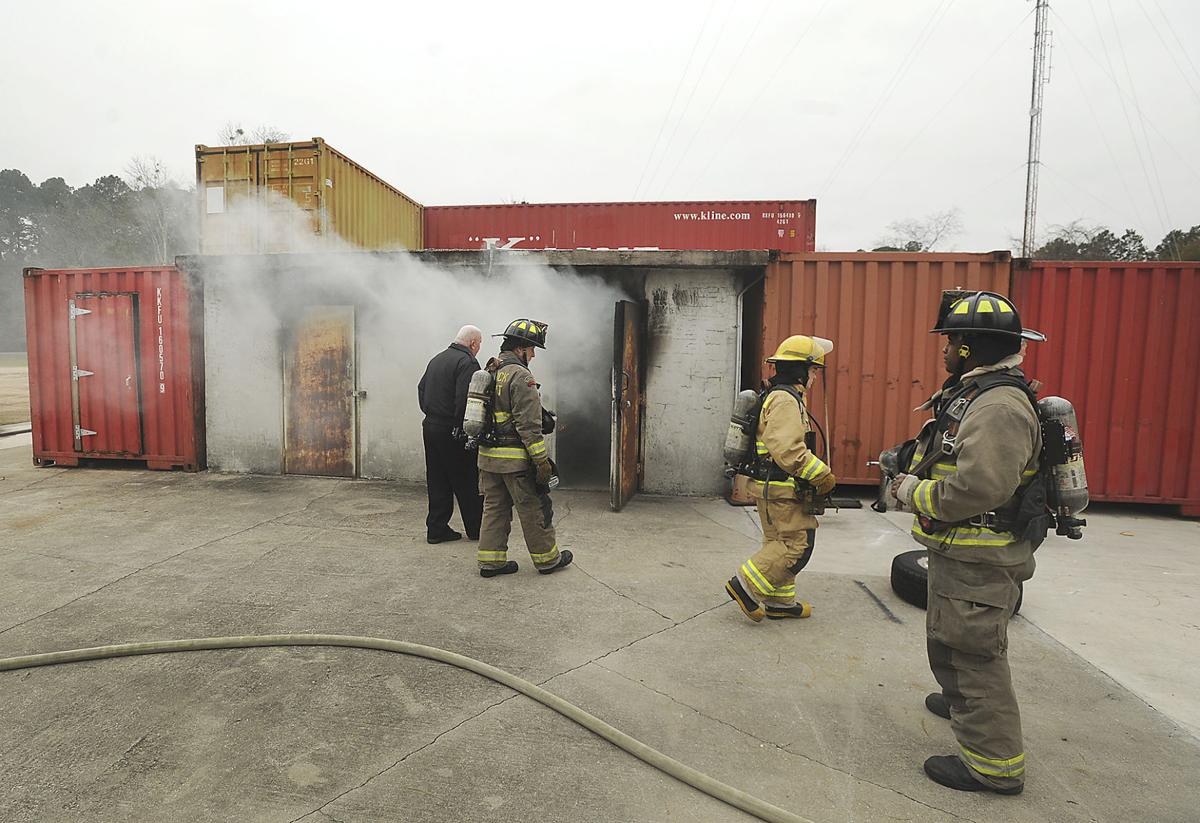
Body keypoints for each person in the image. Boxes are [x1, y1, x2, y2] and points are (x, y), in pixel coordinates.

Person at [888, 291, 1047, 795]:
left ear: (970, 346)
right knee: (952, 641)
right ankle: (961, 701)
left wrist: (912, 492)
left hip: (981, 557)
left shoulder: (998, 406)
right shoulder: (976, 393)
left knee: (975, 656)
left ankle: (994, 766)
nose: (945, 348)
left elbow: (980, 487)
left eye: (951, 339)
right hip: (962, 551)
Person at [725, 335, 837, 622]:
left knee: (778, 542)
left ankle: (780, 602)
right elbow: (788, 450)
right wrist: (822, 475)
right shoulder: (785, 400)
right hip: (782, 489)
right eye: (813, 370)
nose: (814, 377)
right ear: (800, 370)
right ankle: (745, 586)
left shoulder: (779, 396)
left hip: (772, 488)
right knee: (796, 547)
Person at [475, 318, 572, 578]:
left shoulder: (491, 369)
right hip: (514, 461)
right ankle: (548, 560)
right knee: (533, 509)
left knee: (494, 508)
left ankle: (490, 563)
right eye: (532, 350)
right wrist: (541, 461)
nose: (533, 356)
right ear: (520, 348)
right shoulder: (521, 376)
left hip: (487, 458)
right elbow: (528, 426)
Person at [417, 325, 484, 544]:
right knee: (467, 480)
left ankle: (436, 529)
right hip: (453, 429)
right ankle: (476, 529)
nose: (479, 349)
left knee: (437, 480)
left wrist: (431, 413)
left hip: (431, 426)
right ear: (472, 343)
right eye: (479, 344)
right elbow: (465, 399)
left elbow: (421, 388)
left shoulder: (436, 359)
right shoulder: (467, 362)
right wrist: (463, 428)